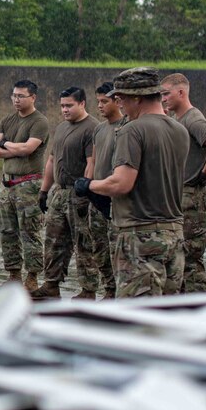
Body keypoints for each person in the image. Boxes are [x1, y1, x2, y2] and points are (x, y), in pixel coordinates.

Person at [77, 67, 189, 298]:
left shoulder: (132, 130)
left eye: (122, 99)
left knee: (136, 315)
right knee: (168, 313)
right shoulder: (180, 130)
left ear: (137, 98)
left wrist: (88, 186)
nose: (120, 106)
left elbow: (121, 183)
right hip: (174, 236)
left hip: (140, 237)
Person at [161, 73, 206, 292]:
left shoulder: (193, 119)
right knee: (177, 261)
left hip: (191, 200)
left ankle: (196, 306)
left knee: (190, 264)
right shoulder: (178, 119)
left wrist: (204, 171)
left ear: (181, 92)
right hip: (179, 198)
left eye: (166, 94)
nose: (163, 99)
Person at [32, 87, 99, 300]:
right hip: (59, 193)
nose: (64, 110)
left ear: (82, 103)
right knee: (53, 240)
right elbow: (52, 160)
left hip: (79, 193)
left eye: (69, 105)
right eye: (62, 106)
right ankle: (51, 285)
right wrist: (44, 191)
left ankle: (88, 290)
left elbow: (91, 163)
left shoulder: (92, 128)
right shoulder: (61, 128)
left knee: (83, 243)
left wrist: (86, 192)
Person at [0, 79, 49, 291]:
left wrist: (6, 144)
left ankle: (32, 278)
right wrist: (14, 149)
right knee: (7, 231)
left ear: (33, 97)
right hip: (7, 184)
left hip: (29, 184)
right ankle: (14, 275)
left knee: (30, 231)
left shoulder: (39, 122)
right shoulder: (7, 120)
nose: (16, 99)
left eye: (21, 96)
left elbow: (28, 149)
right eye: (14, 95)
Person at [85, 81, 123, 299]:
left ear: (117, 101)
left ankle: (120, 291)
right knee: (99, 247)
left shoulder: (127, 127)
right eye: (98, 101)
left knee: (117, 247)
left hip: (116, 198)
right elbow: (93, 161)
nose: (99, 106)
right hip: (97, 196)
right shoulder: (99, 129)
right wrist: (87, 187)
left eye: (104, 101)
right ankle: (109, 289)